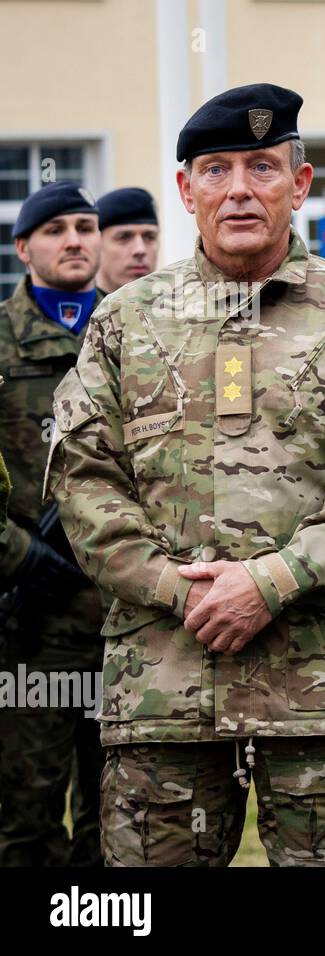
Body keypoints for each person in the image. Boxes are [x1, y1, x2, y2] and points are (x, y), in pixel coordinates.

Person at [45, 83, 325, 867]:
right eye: (216, 170)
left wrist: (275, 580)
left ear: (301, 182)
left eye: (262, 167)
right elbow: (82, 479)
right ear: (186, 190)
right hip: (166, 681)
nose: (240, 190)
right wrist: (175, 586)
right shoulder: (124, 320)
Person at [0, 182, 104, 866]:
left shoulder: (139, 332)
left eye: (86, 227)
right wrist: (20, 561)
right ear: (22, 247)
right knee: (27, 816)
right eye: (57, 228)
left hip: (129, 619)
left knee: (126, 819)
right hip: (31, 620)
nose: (75, 240)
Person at [94, 188, 159, 294]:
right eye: (123, 237)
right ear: (97, 244)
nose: (140, 250)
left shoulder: (179, 307)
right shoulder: (79, 309)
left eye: (149, 237)